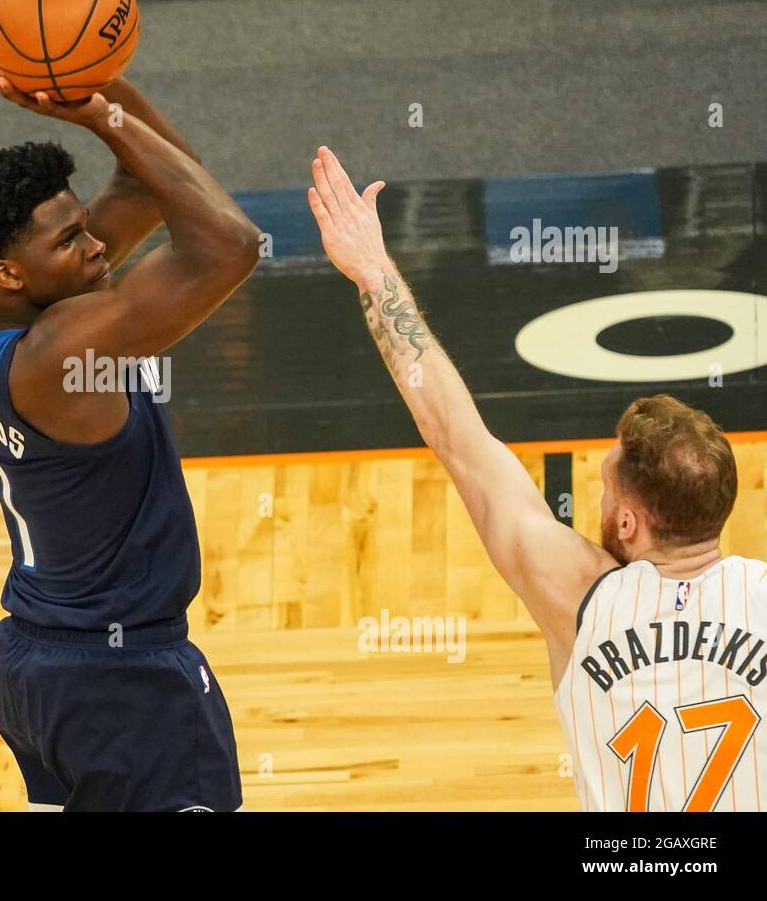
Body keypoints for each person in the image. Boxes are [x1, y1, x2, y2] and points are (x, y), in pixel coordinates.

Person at [305, 145, 765, 812]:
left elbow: (454, 433)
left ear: (631, 522)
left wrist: (373, 270)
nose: (600, 495)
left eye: (607, 487)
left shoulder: (580, 600)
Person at [0, 62, 260, 810]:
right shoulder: (62, 353)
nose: (99, 246)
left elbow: (151, 186)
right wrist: (101, 119)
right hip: (124, 684)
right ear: (10, 270)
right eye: (72, 239)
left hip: (36, 667)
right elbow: (229, 245)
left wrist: (99, 93)